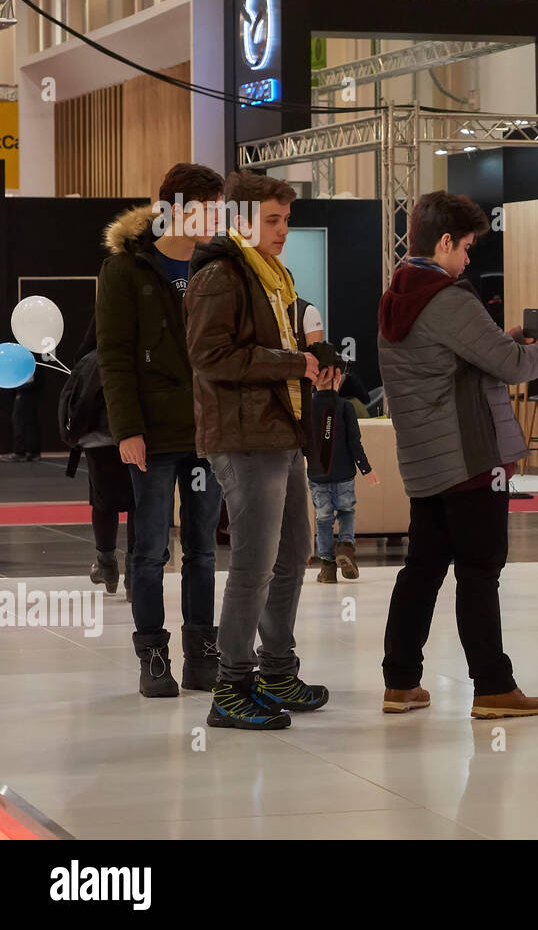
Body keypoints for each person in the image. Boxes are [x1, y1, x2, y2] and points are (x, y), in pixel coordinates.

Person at [378, 191, 538, 718]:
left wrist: (499, 341)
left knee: (422, 569)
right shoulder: (450, 298)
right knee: (480, 570)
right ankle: (492, 687)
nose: (467, 259)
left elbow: (454, 362)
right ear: (443, 243)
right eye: (465, 247)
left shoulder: (398, 295)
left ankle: (400, 681)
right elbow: (513, 366)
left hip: (427, 459)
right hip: (471, 458)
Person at [186, 169, 327, 730]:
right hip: (244, 438)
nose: (283, 230)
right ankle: (232, 686)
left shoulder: (273, 277)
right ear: (240, 221)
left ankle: (274, 670)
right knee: (254, 562)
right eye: (272, 220)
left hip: (279, 431)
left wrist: (311, 366)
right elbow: (210, 357)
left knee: (293, 553)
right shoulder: (222, 275)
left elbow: (270, 347)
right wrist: (294, 363)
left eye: (286, 220)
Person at [97, 164, 225, 697]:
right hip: (151, 435)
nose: (219, 217)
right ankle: (153, 655)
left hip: (209, 433)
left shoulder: (218, 266)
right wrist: (127, 428)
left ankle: (201, 654)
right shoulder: (126, 270)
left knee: (203, 549)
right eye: (209, 206)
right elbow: (114, 358)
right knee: (149, 550)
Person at [65, 318, 135, 599]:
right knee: (138, 503)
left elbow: (80, 359)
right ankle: (136, 575)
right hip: (138, 432)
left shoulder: (99, 328)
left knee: (103, 503)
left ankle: (107, 566)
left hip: (99, 439)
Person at [306, 340, 377, 583]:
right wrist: (366, 469)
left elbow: (302, 444)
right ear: (337, 375)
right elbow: (354, 443)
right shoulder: (345, 407)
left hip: (317, 475)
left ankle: (327, 567)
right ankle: (346, 548)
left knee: (323, 520)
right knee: (347, 511)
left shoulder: (306, 407)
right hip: (345, 473)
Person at [2, 367, 42, 462]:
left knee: (19, 421)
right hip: (27, 391)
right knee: (29, 423)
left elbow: (30, 380)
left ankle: (20, 452)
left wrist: (18, 388)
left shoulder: (28, 360)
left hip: (26, 392)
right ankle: (32, 452)